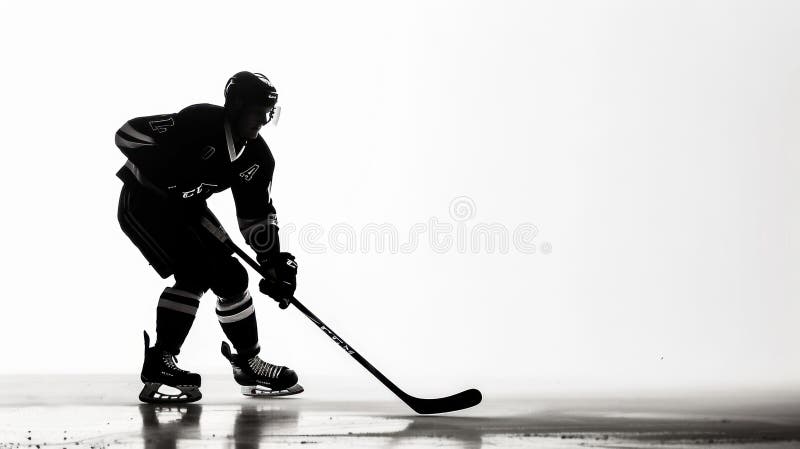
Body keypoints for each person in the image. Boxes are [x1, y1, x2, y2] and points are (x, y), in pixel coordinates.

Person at [115, 71, 302, 403]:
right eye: (256, 110)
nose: (262, 119)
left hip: (187, 210)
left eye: (268, 112)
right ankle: (161, 360)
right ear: (236, 105)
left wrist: (274, 262)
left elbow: (255, 216)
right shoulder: (198, 121)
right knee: (195, 272)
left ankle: (248, 363)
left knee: (232, 277)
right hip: (143, 204)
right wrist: (169, 174)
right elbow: (128, 134)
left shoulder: (258, 159)